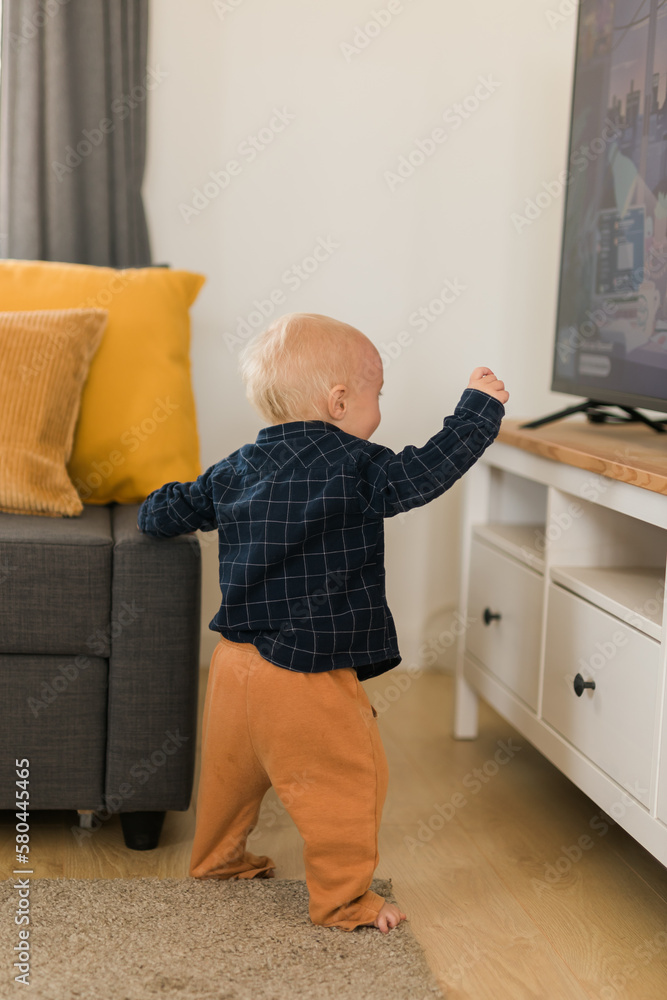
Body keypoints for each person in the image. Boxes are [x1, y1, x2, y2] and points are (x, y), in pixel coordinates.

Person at [137, 312, 508, 934]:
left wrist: (150, 509)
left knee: (229, 782)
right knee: (348, 783)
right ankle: (342, 901)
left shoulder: (237, 466)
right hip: (305, 669)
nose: (379, 409)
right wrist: (476, 412)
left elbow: (172, 508)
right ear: (339, 401)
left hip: (233, 666)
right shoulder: (357, 466)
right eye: (377, 395)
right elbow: (425, 472)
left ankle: (218, 863)